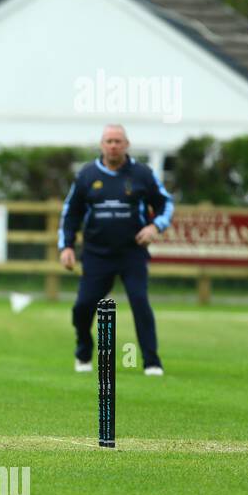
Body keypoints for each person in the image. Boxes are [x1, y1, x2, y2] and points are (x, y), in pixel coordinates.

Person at [59, 124, 174, 376]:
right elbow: (70, 213)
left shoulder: (143, 174)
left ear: (127, 145)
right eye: (109, 141)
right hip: (97, 255)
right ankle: (84, 349)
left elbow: (166, 204)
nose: (113, 146)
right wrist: (66, 245)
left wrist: (156, 226)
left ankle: (152, 362)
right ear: (102, 145)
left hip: (132, 254)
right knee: (82, 307)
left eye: (118, 141)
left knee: (140, 302)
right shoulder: (87, 175)